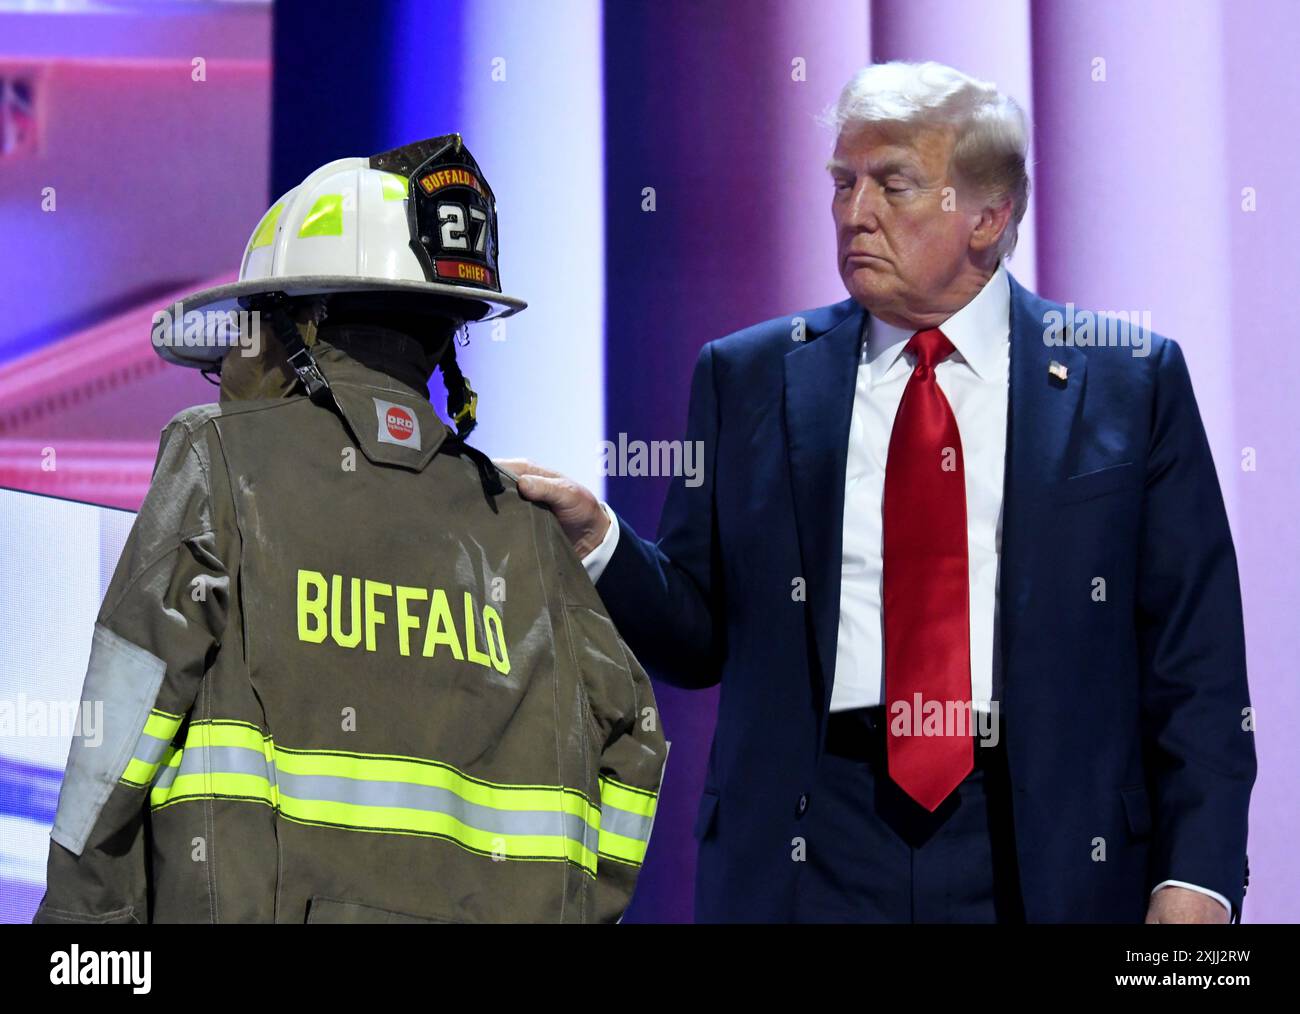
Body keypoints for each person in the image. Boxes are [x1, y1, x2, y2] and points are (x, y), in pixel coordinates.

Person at [500, 63, 1256, 923]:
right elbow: (697, 636)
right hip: (811, 844)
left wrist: (1198, 875)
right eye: (842, 183)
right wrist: (603, 541)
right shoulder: (748, 376)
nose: (855, 213)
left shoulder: (1127, 380)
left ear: (988, 215)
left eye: (892, 184)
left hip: (1040, 846)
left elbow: (1195, 658)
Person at [35, 134, 667, 924]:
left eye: (232, 349)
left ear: (290, 328)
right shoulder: (531, 534)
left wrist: (83, 955)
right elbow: (636, 741)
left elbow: (117, 734)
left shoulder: (218, 457)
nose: (225, 376)